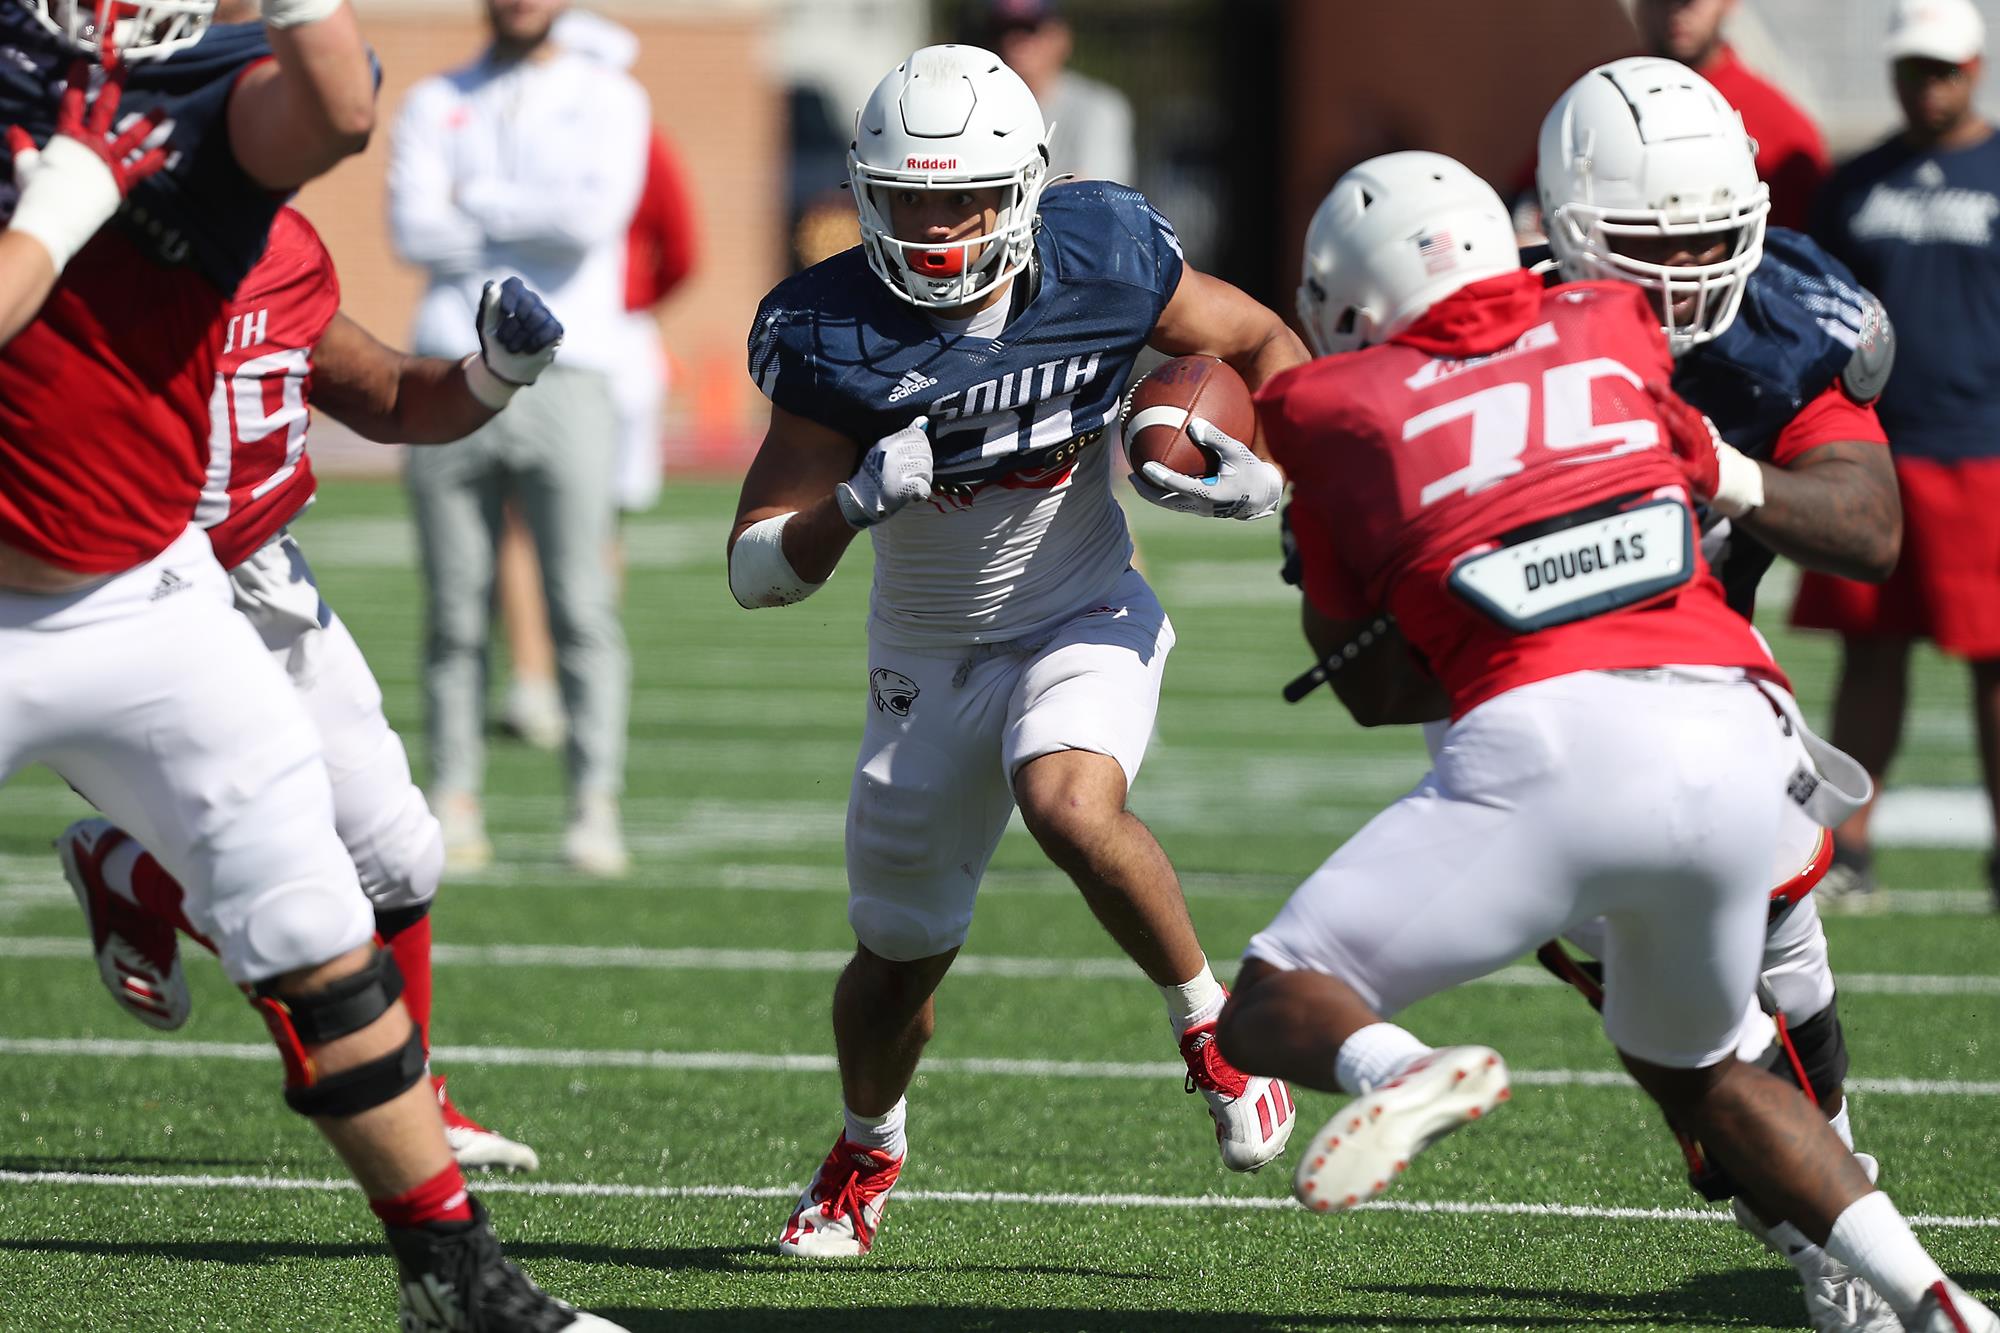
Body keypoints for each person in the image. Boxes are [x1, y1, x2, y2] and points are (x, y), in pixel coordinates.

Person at [1216, 148, 1995, 1333]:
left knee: (1267, 1003)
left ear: (1345, 306)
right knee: (1711, 1062)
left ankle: (1398, 1066)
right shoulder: (1609, 321)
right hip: (1742, 725)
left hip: (1550, 750)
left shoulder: (1323, 409)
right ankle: (1931, 1300)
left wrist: (1307, 512)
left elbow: (1375, 689)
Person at [0, 2, 621, 1327]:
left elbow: (336, 111)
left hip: (154, 590)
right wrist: (51, 215)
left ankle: (456, 1282)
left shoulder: (197, 113)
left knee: (317, 918)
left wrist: (495, 375)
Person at [731, 44, 1307, 1258]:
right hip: (926, 656)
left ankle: (1214, 1031)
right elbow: (755, 569)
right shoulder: (826, 329)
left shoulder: (1101, 253)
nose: (937, 229)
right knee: (893, 968)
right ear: (864, 193)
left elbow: (1256, 342)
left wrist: (1276, 476)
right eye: (910, 198)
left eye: (965, 199)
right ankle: (865, 1147)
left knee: (1066, 799)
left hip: (1084, 603)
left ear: (1026, 191)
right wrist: (850, 503)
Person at [56, 202, 558, 1173]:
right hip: (109, 596)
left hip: (258, 576)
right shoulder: (64, 238)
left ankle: (412, 1088)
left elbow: (391, 396)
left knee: (401, 858)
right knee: (278, 895)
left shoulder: (278, 244)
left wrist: (494, 373)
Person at [1536, 57, 1908, 1333]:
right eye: (1655, 242)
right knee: (1692, 1022)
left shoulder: (1783, 315)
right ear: (1573, 225)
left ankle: (1834, 1219)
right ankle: (1773, 1166)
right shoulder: (1481, 312)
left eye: (1714, 235)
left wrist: (1730, 474)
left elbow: (1866, 527)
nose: (1693, 270)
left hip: (1703, 673)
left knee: (1786, 947)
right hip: (1524, 708)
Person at [388, 0, 647, 877]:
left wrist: (477, 203)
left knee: (581, 602)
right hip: (446, 362)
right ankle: (453, 799)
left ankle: (592, 803)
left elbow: (590, 220)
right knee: (453, 608)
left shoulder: (610, 94)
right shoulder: (434, 98)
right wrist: (525, 214)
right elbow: (408, 229)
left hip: (571, 369)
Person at [1792, 0, 2000, 915]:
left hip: (1985, 453)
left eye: (1942, 68)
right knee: (1869, 655)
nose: (1928, 84)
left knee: (1997, 664)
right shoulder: (1854, 182)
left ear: (1976, 67)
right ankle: (1852, 848)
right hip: (1873, 451)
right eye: (1913, 68)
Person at [1634, 0, 1830, 230]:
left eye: (1690, 1)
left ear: (1729, 3)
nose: (1675, 11)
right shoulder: (1597, 99)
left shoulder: (1784, 129)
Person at [975, 0, 1135, 185]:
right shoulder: (978, 108)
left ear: (1061, 38)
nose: (1013, 42)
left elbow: (1092, 194)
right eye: (1002, 30)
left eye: (1029, 29)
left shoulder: (1100, 107)